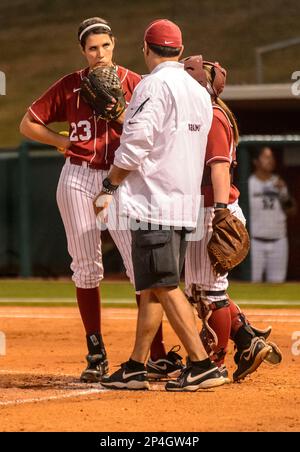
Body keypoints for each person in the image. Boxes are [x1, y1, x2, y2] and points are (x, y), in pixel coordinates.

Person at [95, 19, 226, 392]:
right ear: (180, 51)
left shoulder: (151, 84)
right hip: (184, 203)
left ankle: (201, 364)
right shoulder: (198, 90)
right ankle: (137, 366)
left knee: (165, 286)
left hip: (154, 202)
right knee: (155, 284)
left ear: (147, 49)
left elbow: (136, 144)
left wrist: (109, 184)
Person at [19, 17, 143, 383]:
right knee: (86, 266)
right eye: (92, 48)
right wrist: (62, 142)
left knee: (139, 263)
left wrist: (120, 115)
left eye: (105, 46)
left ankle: (153, 351)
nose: (100, 53)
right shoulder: (71, 84)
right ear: (83, 51)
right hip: (78, 176)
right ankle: (96, 351)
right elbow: (28, 124)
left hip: (120, 177)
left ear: (114, 44)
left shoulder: (133, 82)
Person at [182, 56, 279, 382]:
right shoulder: (204, 112)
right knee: (200, 289)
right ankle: (247, 340)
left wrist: (220, 212)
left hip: (212, 209)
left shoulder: (210, 115)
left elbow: (220, 167)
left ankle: (214, 360)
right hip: (206, 208)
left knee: (209, 293)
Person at [248, 146, 296, 283]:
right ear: (256, 161)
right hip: (255, 240)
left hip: (278, 240)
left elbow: (291, 211)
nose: (271, 160)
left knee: (277, 285)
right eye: (266, 157)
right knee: (252, 284)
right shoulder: (250, 183)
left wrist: (284, 194)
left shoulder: (279, 182)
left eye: (272, 157)